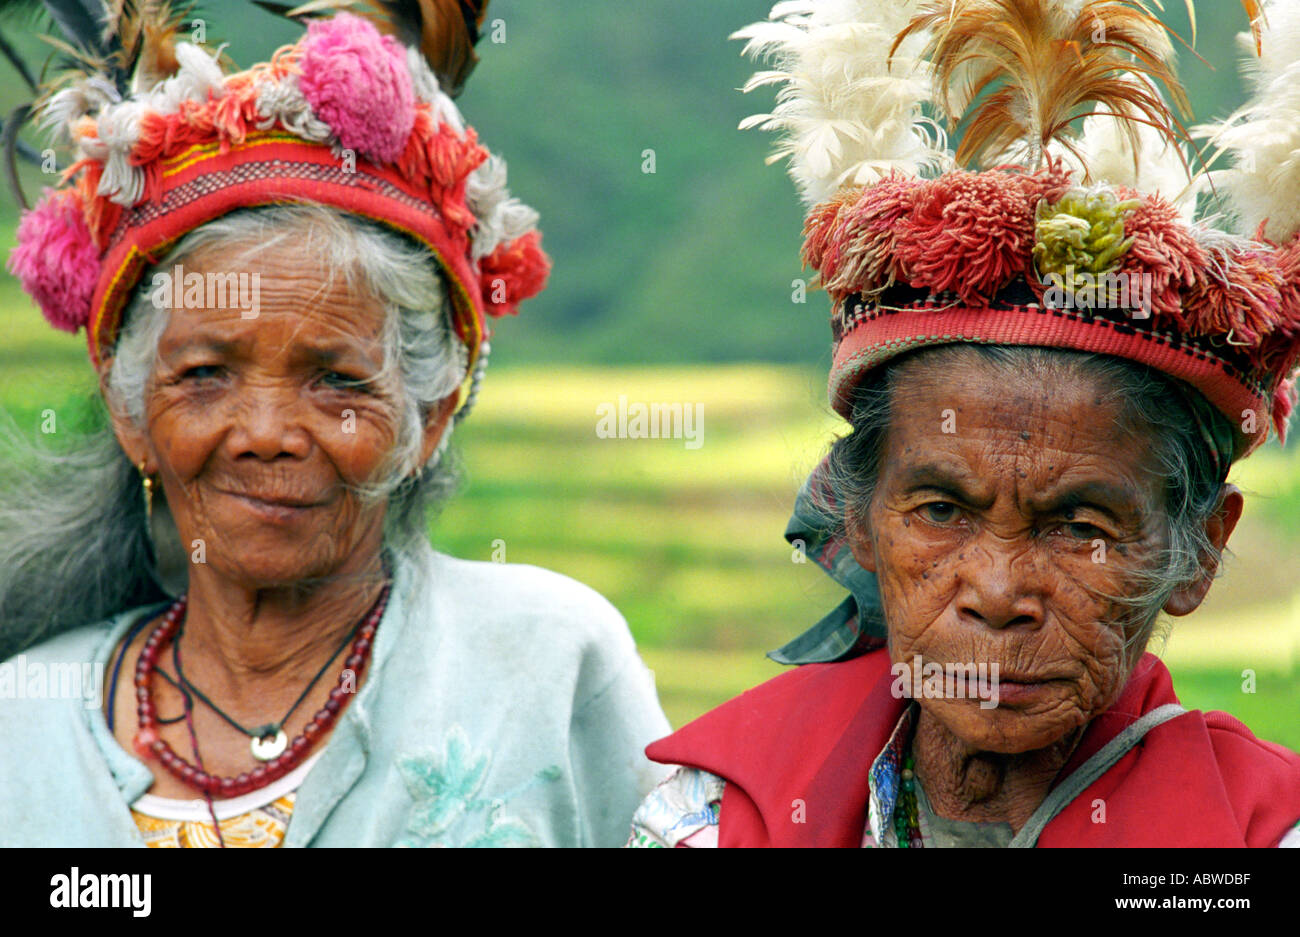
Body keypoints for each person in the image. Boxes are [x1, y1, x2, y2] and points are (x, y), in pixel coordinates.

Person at [629, 0, 1300, 848]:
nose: (995, 593)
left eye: (1079, 527)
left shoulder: (1257, 839)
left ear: (1197, 548)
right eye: (941, 511)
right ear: (857, 512)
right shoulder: (717, 815)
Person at [0, 2, 668, 847]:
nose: (266, 432)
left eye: (337, 382)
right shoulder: (21, 727)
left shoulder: (549, 664)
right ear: (132, 414)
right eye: (204, 376)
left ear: (427, 415)